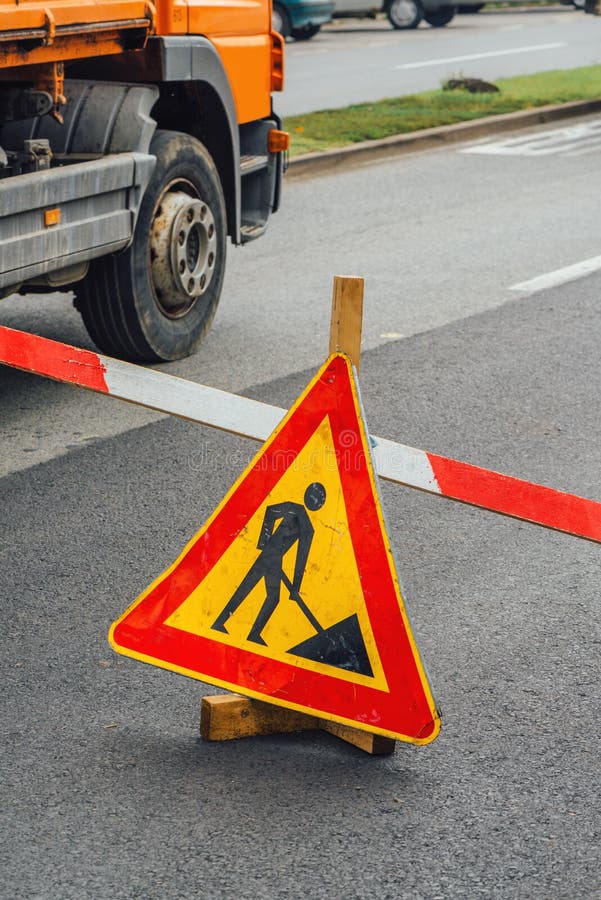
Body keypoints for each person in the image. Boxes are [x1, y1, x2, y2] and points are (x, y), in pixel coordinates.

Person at [212, 482, 326, 645]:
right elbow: (271, 511)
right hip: (270, 556)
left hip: (274, 559)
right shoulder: (297, 513)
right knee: (256, 592)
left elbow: (301, 558)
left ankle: (226, 625)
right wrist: (263, 543)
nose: (316, 501)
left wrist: (295, 588)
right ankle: (242, 631)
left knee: (253, 591)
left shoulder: (306, 525)